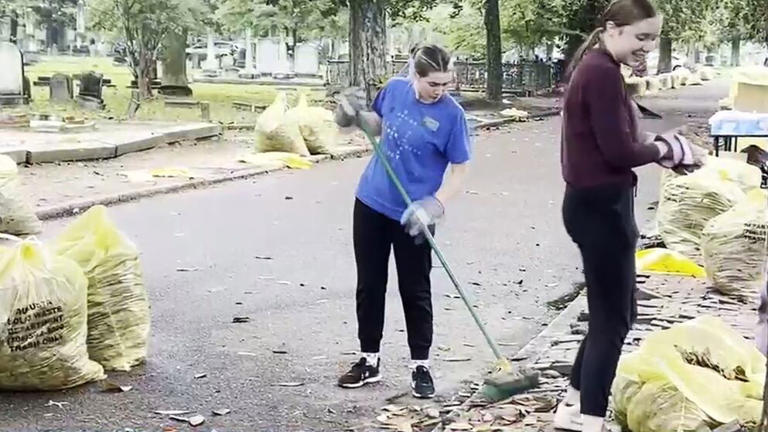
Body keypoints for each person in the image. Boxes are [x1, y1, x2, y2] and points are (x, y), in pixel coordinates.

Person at [555, 1, 704, 431]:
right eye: (641, 37)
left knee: (611, 312)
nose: (647, 46)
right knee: (614, 320)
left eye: (653, 38)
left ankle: (573, 404)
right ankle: (589, 421)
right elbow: (620, 151)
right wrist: (665, 150)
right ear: (612, 29)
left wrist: (661, 147)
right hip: (601, 209)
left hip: (593, 204)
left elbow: (619, 137)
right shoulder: (600, 72)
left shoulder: (598, 65)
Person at [333, 44, 471, 399]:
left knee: (415, 289)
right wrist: (353, 117)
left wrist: (435, 205)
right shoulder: (394, 90)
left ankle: (420, 364)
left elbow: (459, 172)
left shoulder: (452, 116)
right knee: (370, 283)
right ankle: (369, 359)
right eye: (433, 84)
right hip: (372, 201)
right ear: (415, 75)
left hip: (416, 214)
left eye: (446, 83)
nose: (440, 91)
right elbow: (379, 125)